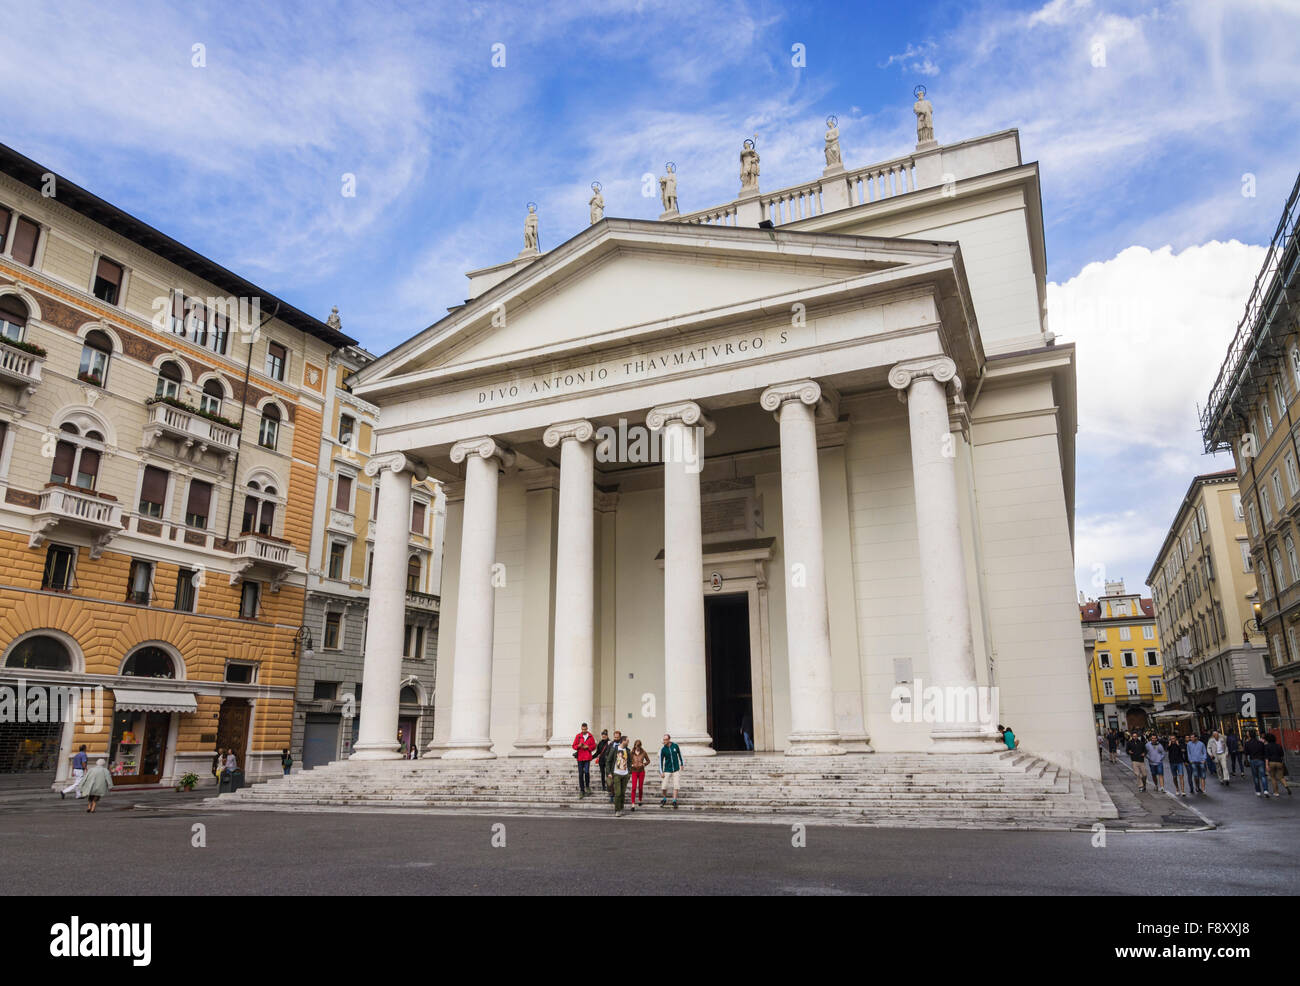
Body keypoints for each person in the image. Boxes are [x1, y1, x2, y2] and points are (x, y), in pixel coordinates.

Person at [572, 723, 596, 797]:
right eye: (582, 729)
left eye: (585, 729)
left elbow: (594, 746)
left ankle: (587, 786)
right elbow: (573, 746)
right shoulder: (578, 736)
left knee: (586, 772)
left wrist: (587, 747)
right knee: (580, 774)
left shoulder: (590, 736)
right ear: (581, 729)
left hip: (587, 757)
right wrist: (578, 746)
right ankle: (582, 790)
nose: (583, 730)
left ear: (587, 728)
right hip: (580, 757)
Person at [659, 733, 683, 807]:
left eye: (666, 740)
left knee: (676, 785)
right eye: (664, 740)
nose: (664, 741)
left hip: (676, 769)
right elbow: (660, 761)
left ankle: (674, 800)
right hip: (667, 769)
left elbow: (680, 755)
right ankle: (664, 798)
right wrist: (661, 771)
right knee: (664, 786)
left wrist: (682, 763)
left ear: (669, 740)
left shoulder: (675, 746)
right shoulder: (663, 749)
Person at [1265, 732, 1291, 797]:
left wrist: (1266, 765)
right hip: (1279, 762)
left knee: (1273, 778)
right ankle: (1286, 786)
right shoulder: (1278, 745)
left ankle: (1276, 792)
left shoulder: (1267, 746)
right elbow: (1282, 755)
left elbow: (1266, 757)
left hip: (1271, 762)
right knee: (1281, 777)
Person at [1244, 729, 1270, 797]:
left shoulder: (1247, 743)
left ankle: (1258, 791)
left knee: (1255, 777)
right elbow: (1264, 752)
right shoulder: (1260, 743)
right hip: (1261, 760)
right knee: (1263, 776)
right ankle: (1265, 790)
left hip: (1253, 760)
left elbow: (1246, 753)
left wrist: (1246, 760)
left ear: (1249, 735)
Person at [611, 736, 632, 816]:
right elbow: (609, 761)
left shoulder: (627, 750)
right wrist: (609, 773)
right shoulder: (615, 749)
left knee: (623, 793)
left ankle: (621, 808)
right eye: (627, 741)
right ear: (623, 741)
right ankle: (617, 810)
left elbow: (629, 762)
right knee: (618, 793)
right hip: (616, 774)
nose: (628, 742)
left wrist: (629, 772)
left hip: (625, 774)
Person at [602, 731, 623, 802]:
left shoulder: (622, 744)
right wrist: (608, 759)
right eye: (615, 737)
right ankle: (612, 795)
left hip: (619, 767)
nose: (616, 738)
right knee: (610, 782)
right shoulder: (610, 744)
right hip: (611, 767)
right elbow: (606, 754)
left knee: (618, 783)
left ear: (620, 737)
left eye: (617, 737)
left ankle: (617, 796)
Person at [629, 739, 650, 809]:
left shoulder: (643, 752)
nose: (637, 748)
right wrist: (631, 765)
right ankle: (633, 804)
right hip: (634, 771)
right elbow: (628, 761)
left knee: (640, 787)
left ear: (640, 746)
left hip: (641, 771)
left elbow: (648, 761)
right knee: (634, 787)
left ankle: (640, 800)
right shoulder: (631, 753)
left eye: (638, 746)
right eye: (636, 746)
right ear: (634, 746)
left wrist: (644, 764)